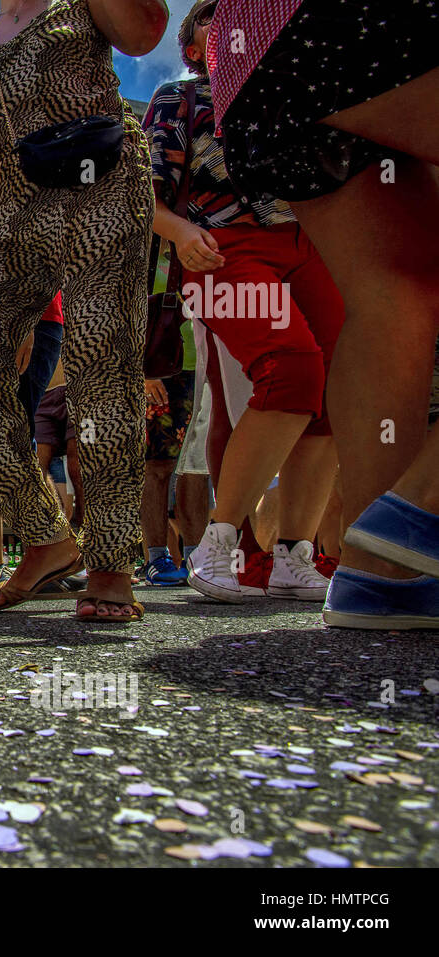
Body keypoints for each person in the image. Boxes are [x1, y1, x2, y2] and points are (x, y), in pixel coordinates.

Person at [0, 0, 168, 624]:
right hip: (7, 208)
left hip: (97, 179)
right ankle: (45, 537)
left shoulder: (74, 5)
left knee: (100, 363)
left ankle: (111, 563)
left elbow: (144, 33)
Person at [208, 0, 439, 629]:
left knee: (396, 294)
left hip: (266, 55)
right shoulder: (173, 101)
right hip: (347, 26)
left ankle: (382, 571)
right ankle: (419, 508)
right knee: (294, 370)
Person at [147, 0, 344, 605]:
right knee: (290, 370)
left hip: (309, 243)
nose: (230, 16)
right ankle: (218, 542)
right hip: (221, 244)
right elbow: (142, 191)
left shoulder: (288, 88)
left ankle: (294, 553)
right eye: (210, 14)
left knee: (334, 391)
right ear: (193, 47)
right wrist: (180, 232)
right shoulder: (180, 97)